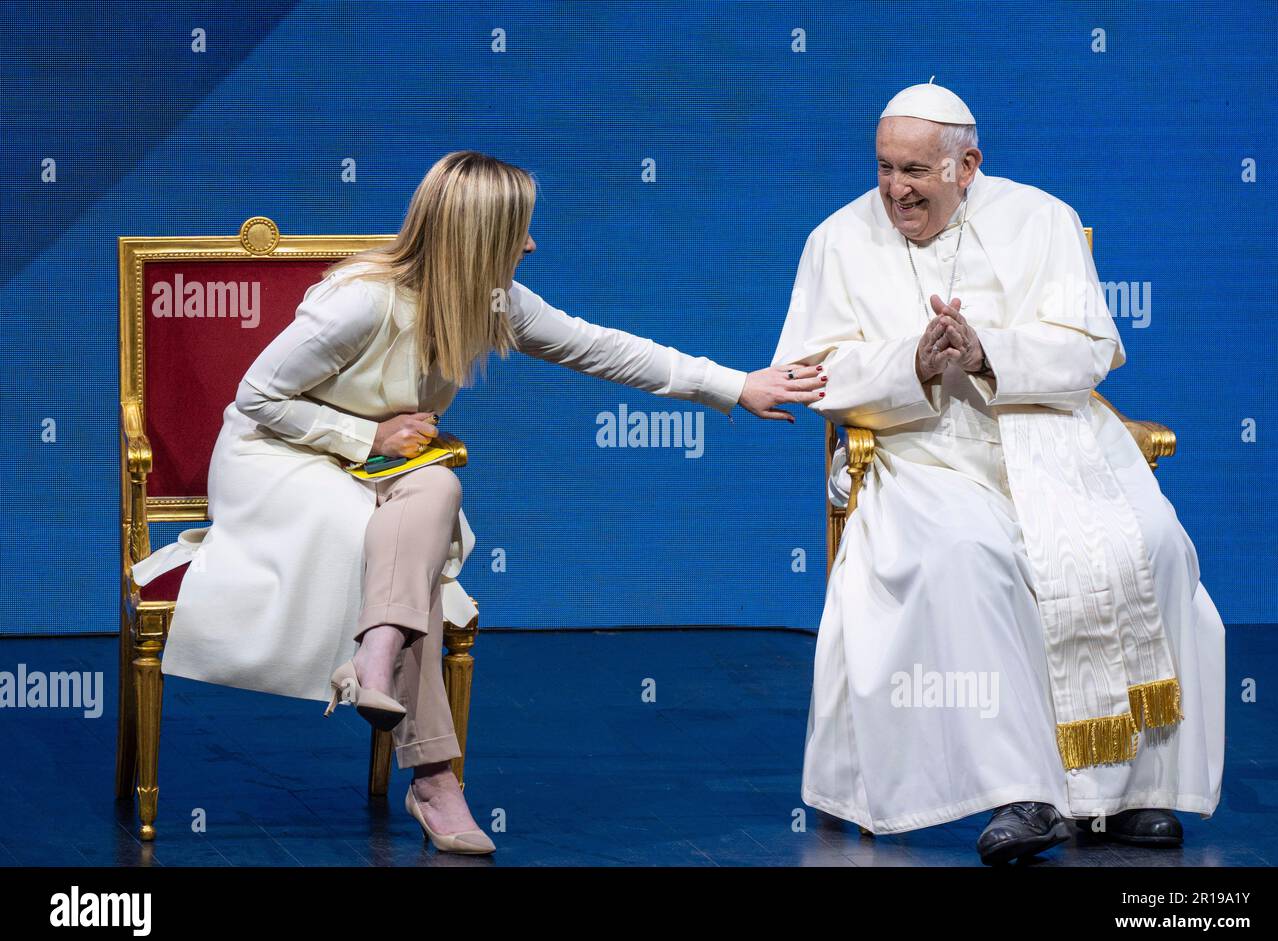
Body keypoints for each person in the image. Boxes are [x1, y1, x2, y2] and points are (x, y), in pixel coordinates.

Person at [131, 150, 824, 854]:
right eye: (519, 231)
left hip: (375, 468)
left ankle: (375, 660)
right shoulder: (362, 300)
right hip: (277, 461)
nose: (531, 245)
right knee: (407, 554)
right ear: (479, 238)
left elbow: (602, 348)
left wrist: (735, 386)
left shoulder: (491, 301)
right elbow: (256, 397)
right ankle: (434, 776)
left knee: (440, 486)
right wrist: (362, 431)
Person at [770, 82, 1225, 865]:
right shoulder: (835, 241)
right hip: (924, 452)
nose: (893, 190)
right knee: (970, 556)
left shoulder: (1041, 220)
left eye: (914, 170)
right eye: (883, 168)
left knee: (1155, 544)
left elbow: (1089, 355)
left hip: (1056, 442)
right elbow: (808, 375)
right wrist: (908, 362)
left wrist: (988, 352)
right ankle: (1021, 792)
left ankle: (1130, 792)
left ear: (967, 164)